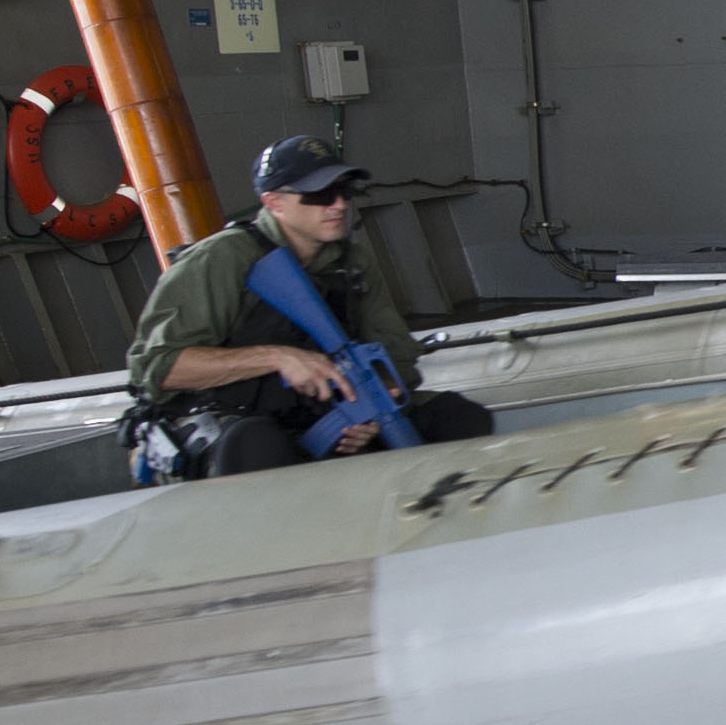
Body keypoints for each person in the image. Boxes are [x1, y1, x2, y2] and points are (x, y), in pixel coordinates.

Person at [122, 136, 498, 479]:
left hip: (320, 413)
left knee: (457, 418)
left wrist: (374, 408)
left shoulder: (351, 262)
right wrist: (277, 357)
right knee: (257, 449)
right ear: (274, 203)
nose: (338, 205)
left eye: (344, 191)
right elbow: (157, 368)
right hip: (230, 419)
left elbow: (394, 351)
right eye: (319, 195)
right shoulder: (222, 259)